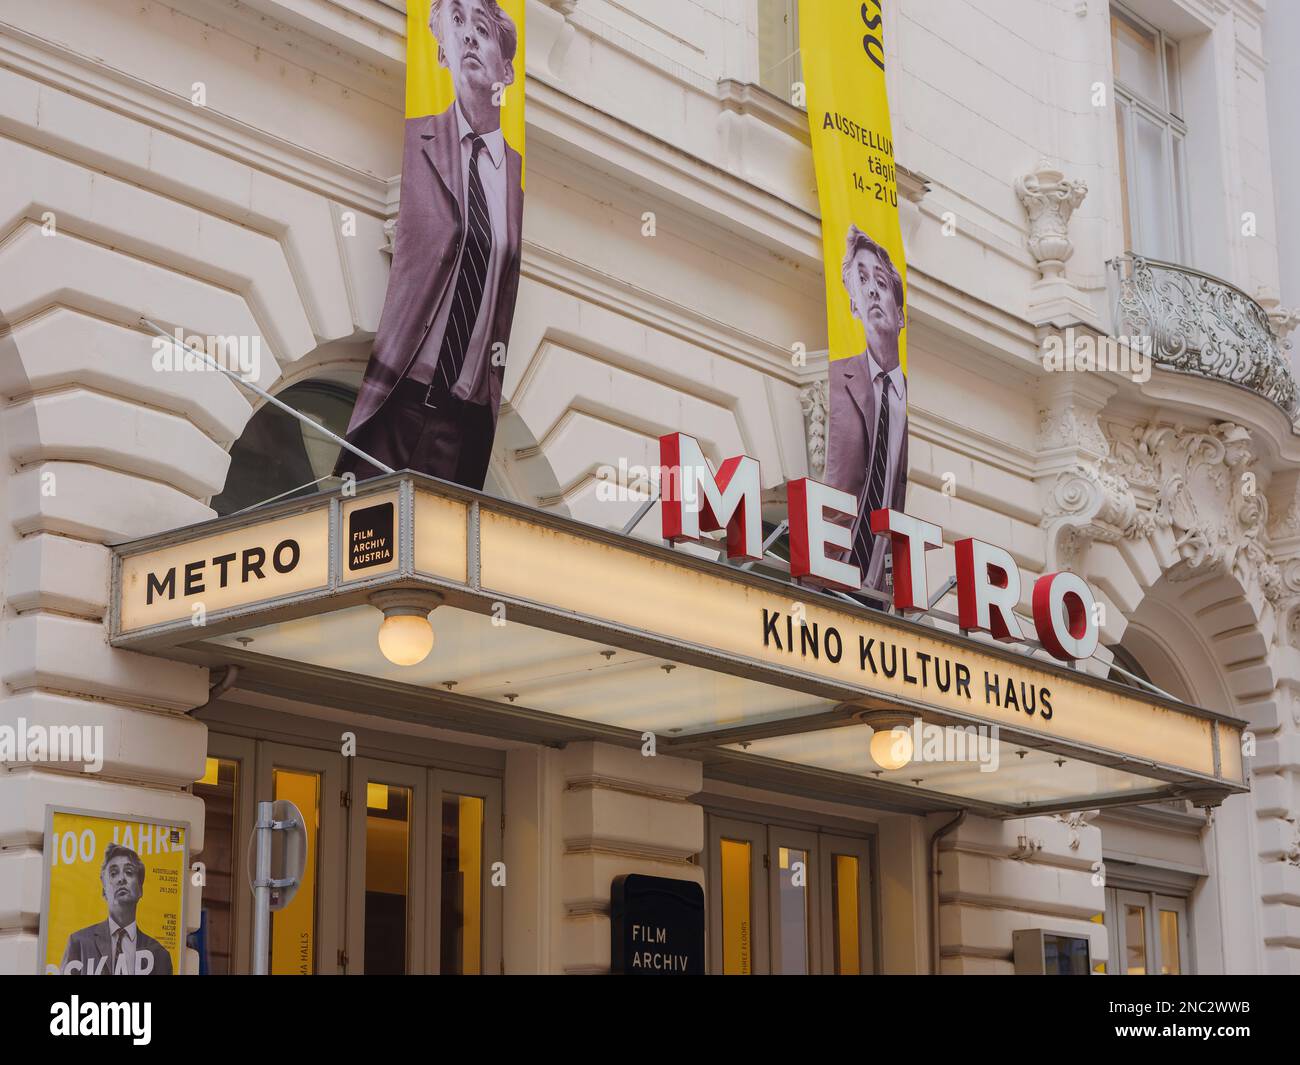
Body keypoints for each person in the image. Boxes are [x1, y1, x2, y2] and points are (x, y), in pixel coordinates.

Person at [336, 0, 523, 489]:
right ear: (440, 51)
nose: (467, 37)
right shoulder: (420, 141)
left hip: (462, 423)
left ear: (505, 66)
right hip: (399, 399)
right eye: (456, 24)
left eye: (481, 28)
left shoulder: (516, 179)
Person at [824, 224, 909, 595]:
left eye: (881, 282)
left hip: (878, 590)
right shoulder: (837, 378)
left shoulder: (906, 400)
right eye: (862, 280)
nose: (872, 288)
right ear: (854, 305)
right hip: (832, 577)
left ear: (902, 315)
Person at [60, 844, 173, 975]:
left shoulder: (159, 955)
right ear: (104, 890)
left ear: (140, 889)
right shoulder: (79, 943)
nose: (121, 879)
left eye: (129, 872)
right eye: (113, 873)